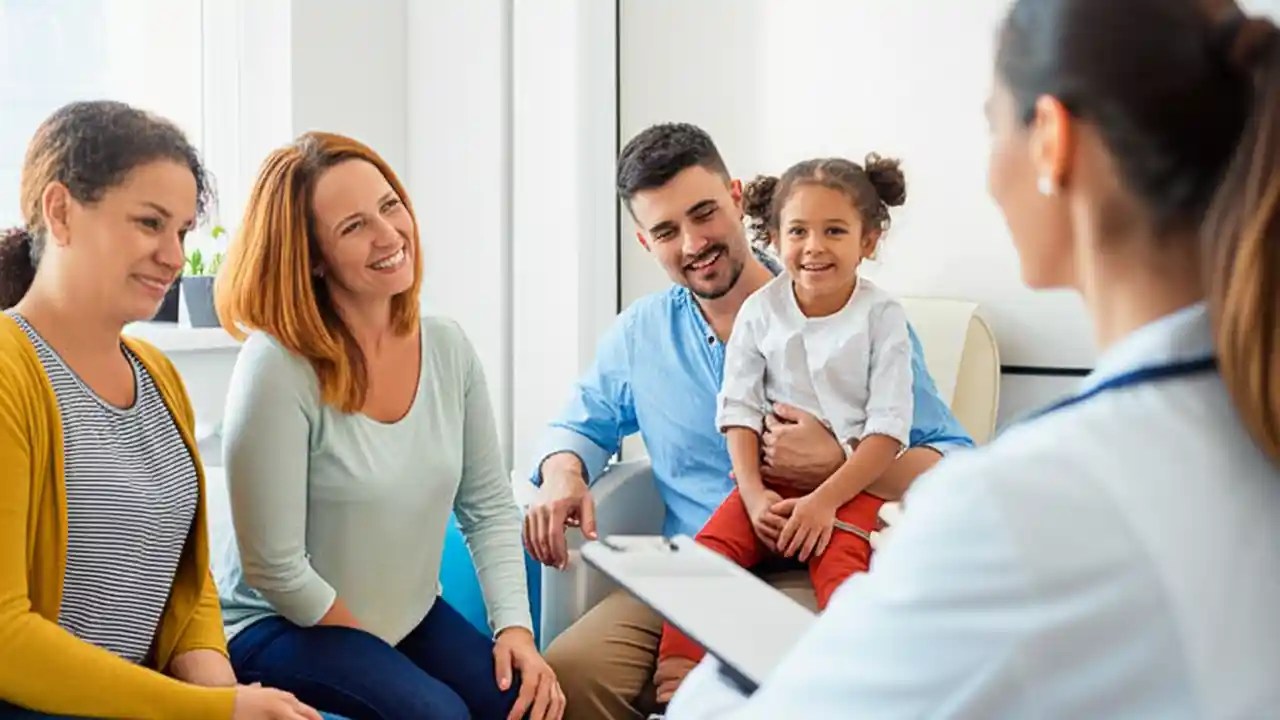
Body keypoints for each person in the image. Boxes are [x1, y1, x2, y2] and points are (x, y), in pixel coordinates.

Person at [667, 0, 1280, 717]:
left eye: (994, 126)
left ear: (1053, 141)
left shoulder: (1011, 509)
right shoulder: (1243, 429)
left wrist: (733, 673)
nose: (990, 174)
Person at [522, 122, 974, 719]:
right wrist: (562, 474)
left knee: (808, 687)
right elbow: (575, 428)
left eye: (704, 213)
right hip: (697, 567)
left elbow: (953, 463)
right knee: (570, 677)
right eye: (666, 231)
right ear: (644, 242)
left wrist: (836, 465)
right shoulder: (642, 335)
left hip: (819, 562)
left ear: (737, 198)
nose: (692, 243)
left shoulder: (864, 324)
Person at [212, 131, 563, 720]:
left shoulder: (447, 346)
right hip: (280, 622)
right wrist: (380, 657)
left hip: (407, 614)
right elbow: (274, 568)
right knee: (439, 715)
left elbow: (488, 507)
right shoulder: (275, 365)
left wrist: (516, 633)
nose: (389, 235)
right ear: (312, 257)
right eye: (353, 226)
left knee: (527, 707)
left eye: (390, 205)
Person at [0, 101, 323, 719]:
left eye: (181, 232)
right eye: (150, 224)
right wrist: (212, 711)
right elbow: (7, 637)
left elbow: (185, 579)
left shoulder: (157, 375)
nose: (174, 257)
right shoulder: (10, 369)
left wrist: (222, 690)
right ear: (61, 211)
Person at [657, 154, 915, 673]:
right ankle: (675, 683)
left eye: (835, 231)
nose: (814, 246)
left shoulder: (883, 318)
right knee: (698, 562)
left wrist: (824, 501)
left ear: (868, 241)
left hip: (848, 490)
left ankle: (858, 683)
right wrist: (753, 496)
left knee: (847, 572)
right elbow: (739, 411)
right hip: (768, 486)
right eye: (798, 231)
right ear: (773, 238)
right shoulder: (760, 311)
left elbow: (888, 432)